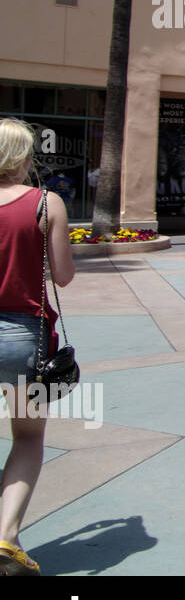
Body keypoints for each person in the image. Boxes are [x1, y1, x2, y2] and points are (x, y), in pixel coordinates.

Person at [0, 118, 75, 575]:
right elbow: (63, 276)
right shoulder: (47, 203)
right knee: (27, 436)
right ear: (23, 158)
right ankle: (6, 536)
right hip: (24, 336)